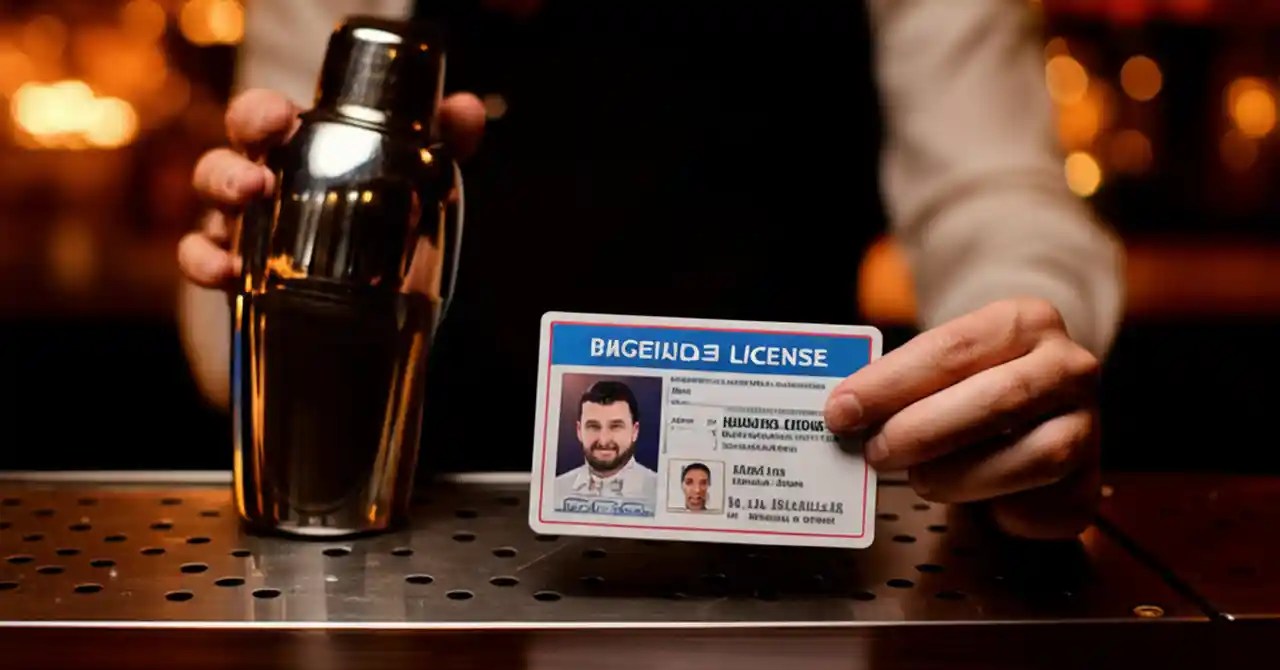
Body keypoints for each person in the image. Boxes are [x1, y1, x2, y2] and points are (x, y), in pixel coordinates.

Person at [177, 0, 1124, 540]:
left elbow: (993, 196)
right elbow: (230, 323)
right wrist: (273, 267)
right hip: (423, 520)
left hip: (778, 522)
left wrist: (1010, 366)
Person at [553, 381, 659, 514]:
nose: (604, 441)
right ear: (579, 431)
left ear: (634, 431)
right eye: (593, 426)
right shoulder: (553, 491)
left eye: (615, 426)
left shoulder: (661, 492)